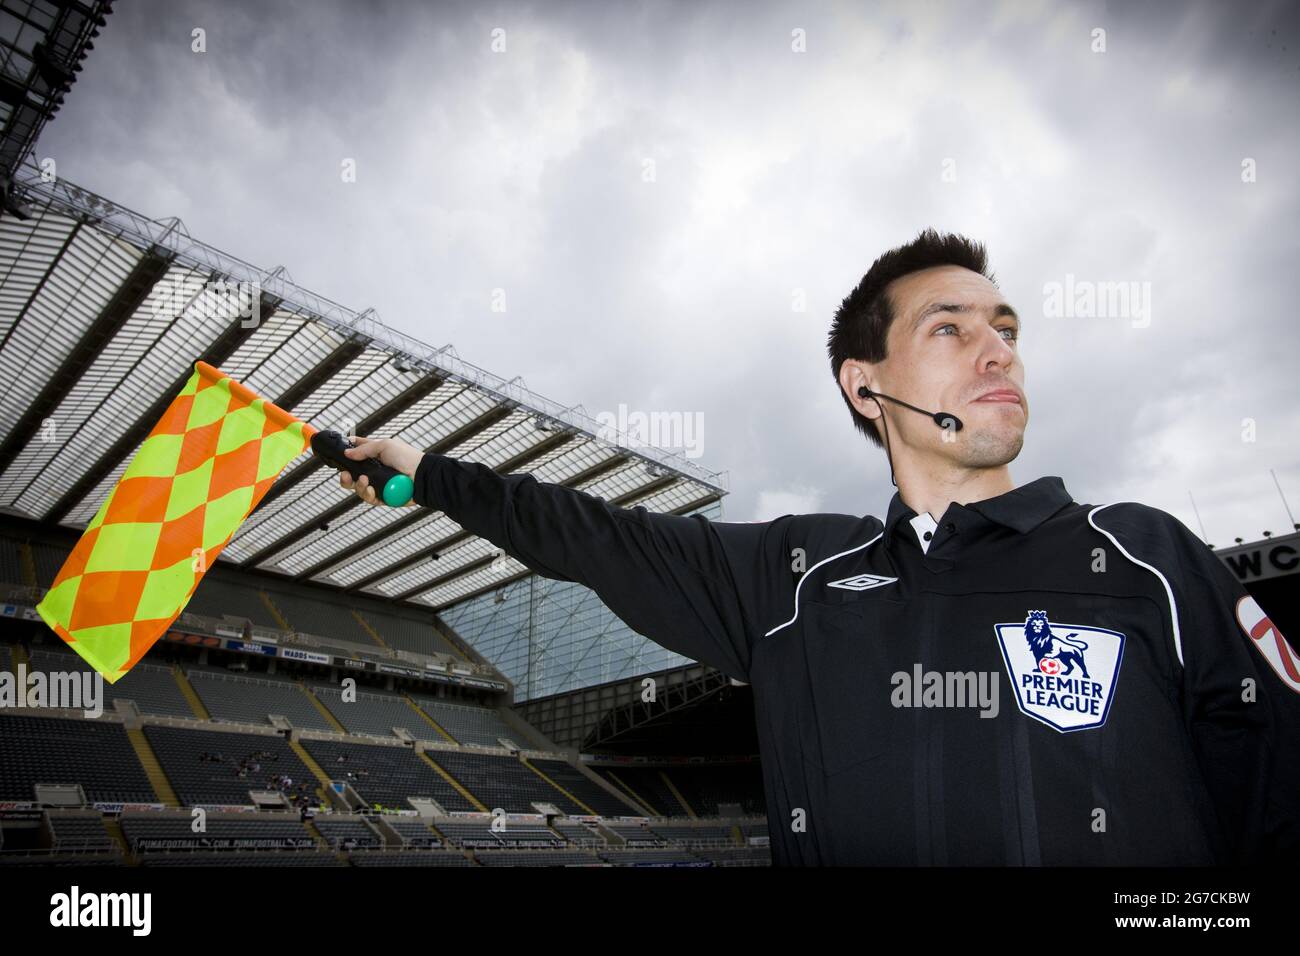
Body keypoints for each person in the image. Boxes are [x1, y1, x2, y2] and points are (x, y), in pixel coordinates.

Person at [335, 229, 1299, 867]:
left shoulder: (1146, 559)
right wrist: (427, 471)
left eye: (1004, 327)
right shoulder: (796, 579)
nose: (998, 349)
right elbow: (594, 537)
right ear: (865, 388)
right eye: (950, 328)